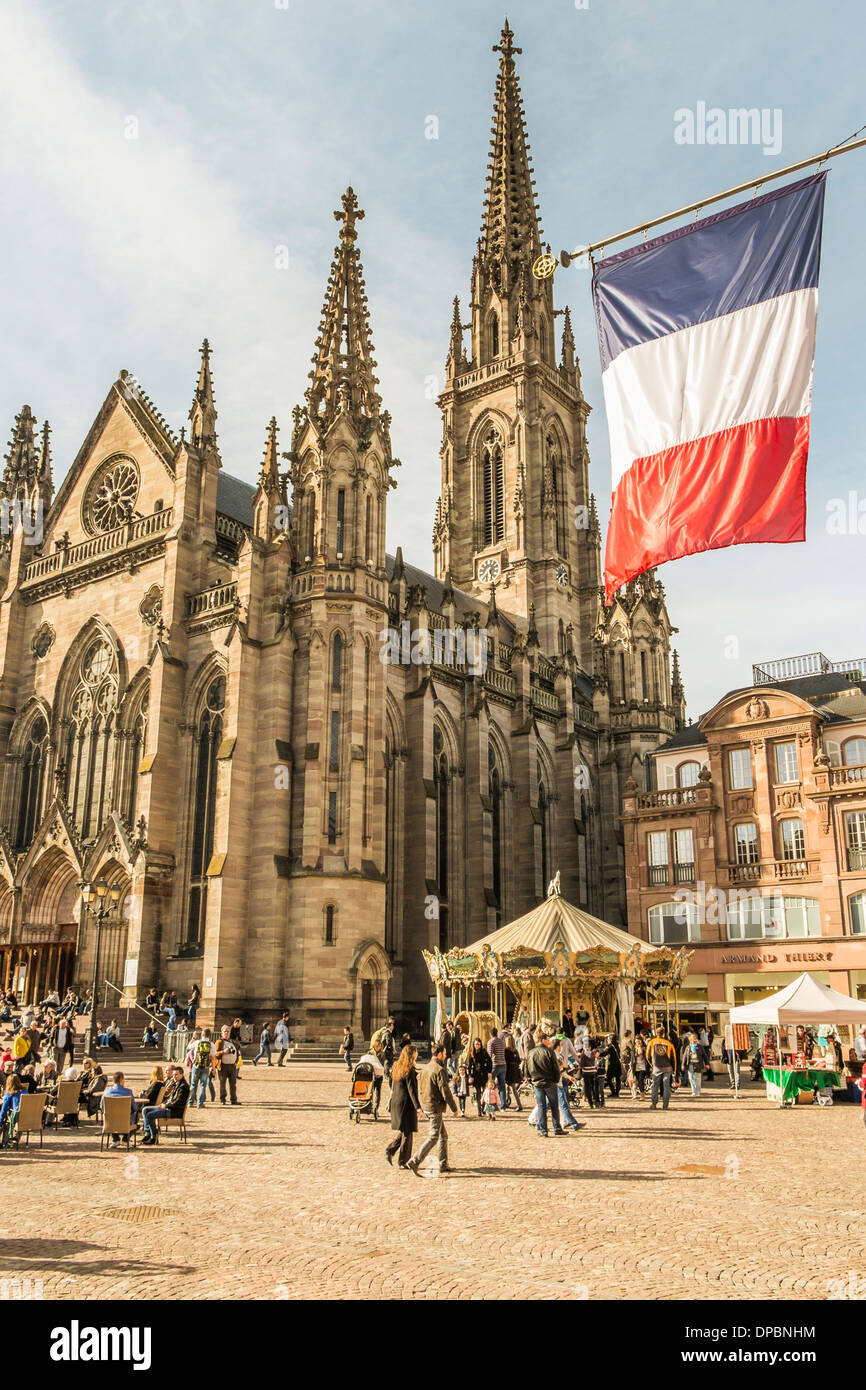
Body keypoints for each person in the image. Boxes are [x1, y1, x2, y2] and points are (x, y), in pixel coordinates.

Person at [407, 1041, 457, 1174]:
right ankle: (415, 1160)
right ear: (440, 1054)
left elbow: (421, 1088)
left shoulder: (425, 1068)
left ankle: (443, 1163)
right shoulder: (439, 1070)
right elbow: (445, 1092)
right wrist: (454, 1108)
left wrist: (422, 1106)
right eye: (445, 1054)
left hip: (427, 1105)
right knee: (434, 1137)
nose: (446, 1056)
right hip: (435, 1107)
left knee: (443, 1135)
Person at [385, 1044, 421, 1169]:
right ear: (411, 1054)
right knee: (408, 1131)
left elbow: (392, 1084)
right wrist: (418, 1107)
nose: (417, 1054)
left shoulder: (397, 1066)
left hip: (397, 1101)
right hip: (406, 1103)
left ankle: (390, 1150)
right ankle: (403, 1160)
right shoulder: (409, 1069)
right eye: (416, 1052)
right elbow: (412, 1090)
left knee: (405, 1129)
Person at [525, 1032, 564, 1138]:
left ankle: (544, 1130)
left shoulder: (531, 1052)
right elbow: (555, 1067)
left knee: (542, 1106)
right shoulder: (549, 1052)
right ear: (542, 1040)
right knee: (554, 1106)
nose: (549, 1041)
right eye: (547, 1039)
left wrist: (530, 1080)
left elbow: (526, 1068)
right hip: (549, 1082)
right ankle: (557, 1128)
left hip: (537, 1082)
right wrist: (556, 1079)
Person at [141, 1066, 191, 1145]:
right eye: (174, 1075)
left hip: (173, 1111)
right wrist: (164, 1104)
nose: (174, 1077)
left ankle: (154, 1136)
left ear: (182, 1075)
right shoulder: (176, 1084)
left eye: (176, 1075)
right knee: (145, 1110)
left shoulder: (183, 1086)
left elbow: (178, 1102)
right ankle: (148, 1134)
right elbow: (170, 1098)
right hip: (168, 1107)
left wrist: (166, 1105)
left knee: (150, 1115)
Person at [100, 1071, 138, 1148]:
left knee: (112, 1116)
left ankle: (115, 1138)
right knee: (135, 1117)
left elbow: (101, 1106)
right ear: (122, 1080)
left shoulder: (106, 1092)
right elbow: (135, 1108)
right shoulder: (128, 1092)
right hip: (125, 1121)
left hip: (110, 1121)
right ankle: (125, 1139)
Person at [647, 1024, 677, 1110]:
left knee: (655, 1085)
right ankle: (665, 1105)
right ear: (664, 1034)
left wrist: (651, 1065)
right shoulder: (669, 1044)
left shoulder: (652, 1042)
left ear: (656, 1033)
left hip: (656, 1067)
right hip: (667, 1067)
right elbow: (674, 1058)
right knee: (666, 1086)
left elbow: (647, 1055)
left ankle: (654, 1103)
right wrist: (674, 1069)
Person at [214, 1026, 241, 1105]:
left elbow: (237, 1051)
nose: (226, 1033)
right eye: (225, 1031)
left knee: (233, 1084)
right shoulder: (219, 1042)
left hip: (232, 1066)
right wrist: (223, 1052)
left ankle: (234, 1100)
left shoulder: (233, 1042)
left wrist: (235, 1061)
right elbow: (215, 1054)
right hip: (223, 1066)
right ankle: (223, 1099)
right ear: (221, 1033)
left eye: (228, 1031)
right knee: (223, 1084)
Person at [356, 1045, 385, 1117]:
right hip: (376, 1076)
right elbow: (380, 1067)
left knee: (371, 1091)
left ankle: (371, 1107)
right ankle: (374, 1108)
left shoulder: (365, 1058)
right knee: (376, 1092)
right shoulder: (375, 1057)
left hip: (368, 1076)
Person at [467, 1036, 492, 1116]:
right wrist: (470, 1075)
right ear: (474, 1045)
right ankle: (479, 1110)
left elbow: (489, 1061)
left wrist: (489, 1072)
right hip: (476, 1075)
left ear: (480, 1045)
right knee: (478, 1093)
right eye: (476, 1044)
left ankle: (484, 1108)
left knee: (485, 1092)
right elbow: (469, 1065)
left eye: (478, 1044)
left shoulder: (484, 1052)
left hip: (483, 1074)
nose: (477, 1046)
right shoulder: (472, 1053)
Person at [189, 1028, 214, 1107]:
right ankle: (200, 1103)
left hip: (196, 1065)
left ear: (201, 1034)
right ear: (210, 1035)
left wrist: (193, 1038)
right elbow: (213, 1057)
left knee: (193, 1084)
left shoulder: (197, 1042)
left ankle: (190, 1102)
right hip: (206, 1066)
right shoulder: (211, 1044)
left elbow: (188, 1047)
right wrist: (213, 1068)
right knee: (203, 1085)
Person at [487, 1026, 508, 1111]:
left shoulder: (490, 1042)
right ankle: (503, 1106)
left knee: (490, 1085)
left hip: (495, 1065)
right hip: (503, 1064)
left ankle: (491, 1104)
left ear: (490, 1034)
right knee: (502, 1086)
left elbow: (489, 1055)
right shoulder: (502, 1042)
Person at [682, 1031, 708, 1096]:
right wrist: (683, 1064)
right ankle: (693, 1091)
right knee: (691, 1078)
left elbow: (704, 1056)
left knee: (698, 1078)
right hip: (690, 1064)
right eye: (692, 1039)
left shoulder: (700, 1047)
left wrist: (707, 1063)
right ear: (690, 1040)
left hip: (698, 1064)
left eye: (695, 1038)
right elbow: (684, 1056)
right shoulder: (688, 1048)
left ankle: (697, 1091)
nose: (694, 1040)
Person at [504, 1033, 524, 1112]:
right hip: (514, 1070)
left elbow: (505, 1061)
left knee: (512, 1088)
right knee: (508, 1087)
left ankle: (519, 1105)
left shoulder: (506, 1051)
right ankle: (507, 1100)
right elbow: (519, 1061)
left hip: (508, 1071)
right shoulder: (515, 1051)